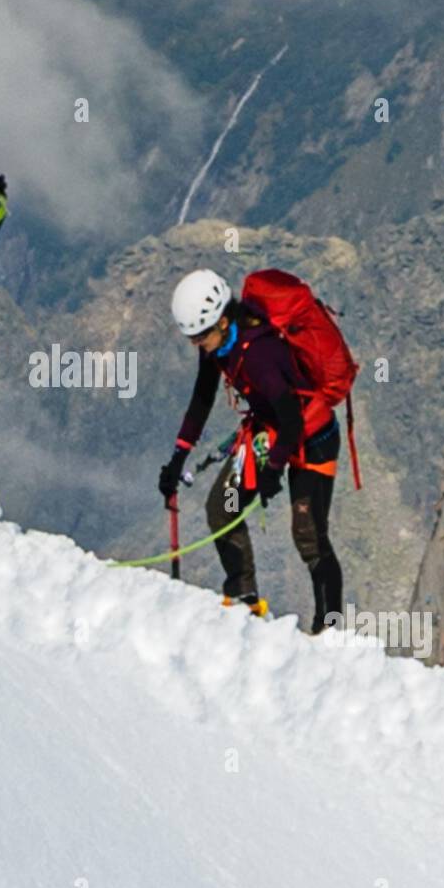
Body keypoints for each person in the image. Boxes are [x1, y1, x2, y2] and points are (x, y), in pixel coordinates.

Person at [158, 269, 343, 631]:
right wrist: (178, 457)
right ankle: (243, 596)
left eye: (200, 337)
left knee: (308, 534)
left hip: (312, 436)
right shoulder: (217, 345)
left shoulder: (260, 353)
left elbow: (292, 417)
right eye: (192, 337)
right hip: (271, 432)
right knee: (223, 507)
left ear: (223, 322)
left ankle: (330, 627)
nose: (197, 344)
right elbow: (202, 398)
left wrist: (273, 469)